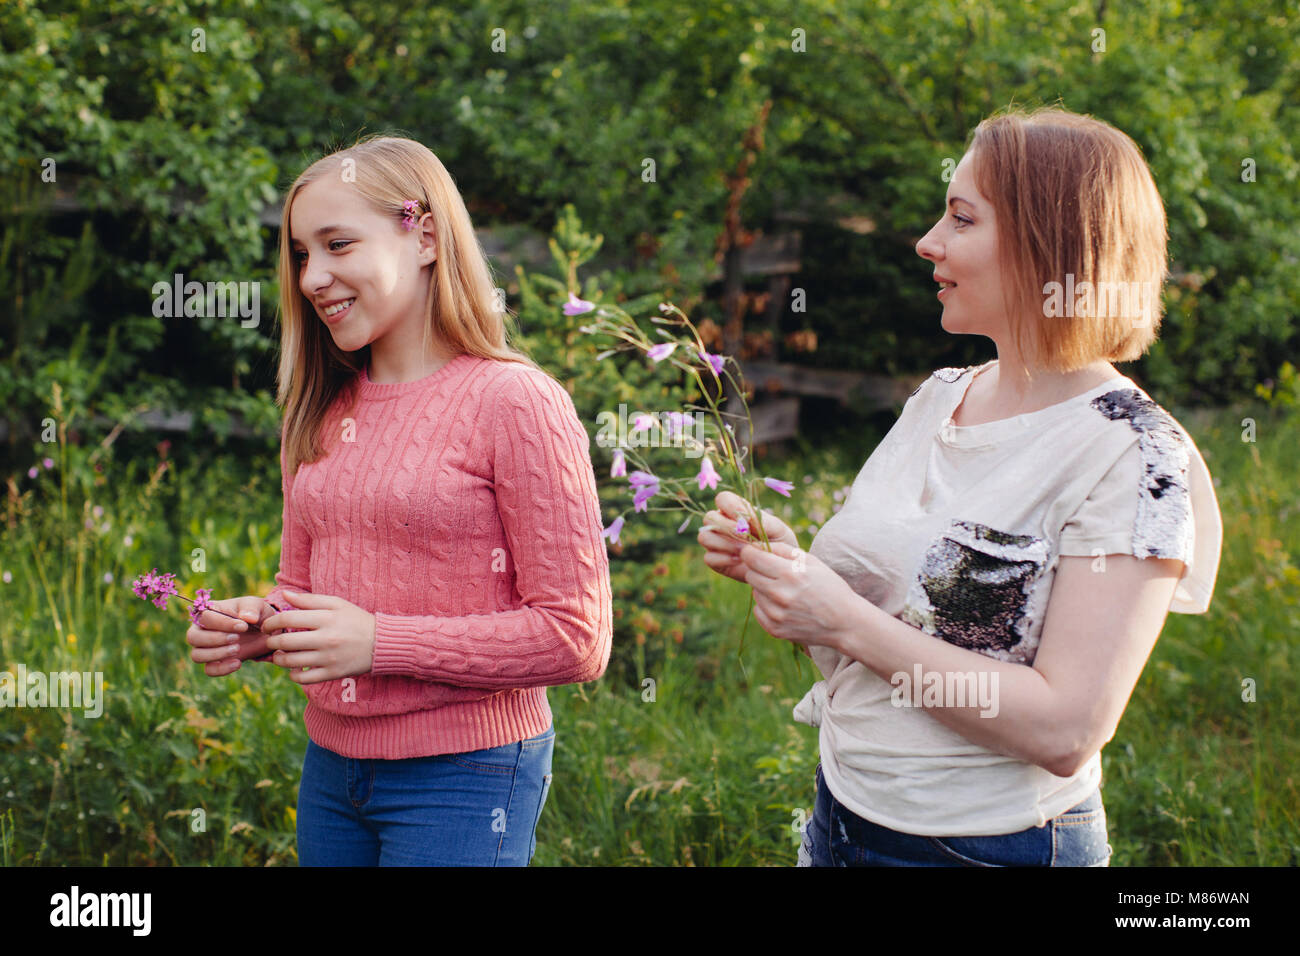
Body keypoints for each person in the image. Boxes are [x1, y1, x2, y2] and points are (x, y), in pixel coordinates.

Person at [698, 107, 1222, 867]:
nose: (927, 242)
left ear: (1051, 247)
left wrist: (839, 616)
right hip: (842, 815)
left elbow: (1065, 730)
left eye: (961, 218)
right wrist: (784, 564)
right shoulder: (940, 396)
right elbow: (888, 610)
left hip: (988, 845)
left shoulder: (1135, 454)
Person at [183, 134, 612, 866]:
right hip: (332, 772)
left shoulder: (515, 402)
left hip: (466, 776)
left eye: (338, 244)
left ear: (426, 237)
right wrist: (264, 624)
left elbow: (577, 635)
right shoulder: (316, 406)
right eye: (299, 255)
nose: (313, 277)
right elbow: (305, 590)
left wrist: (380, 643)